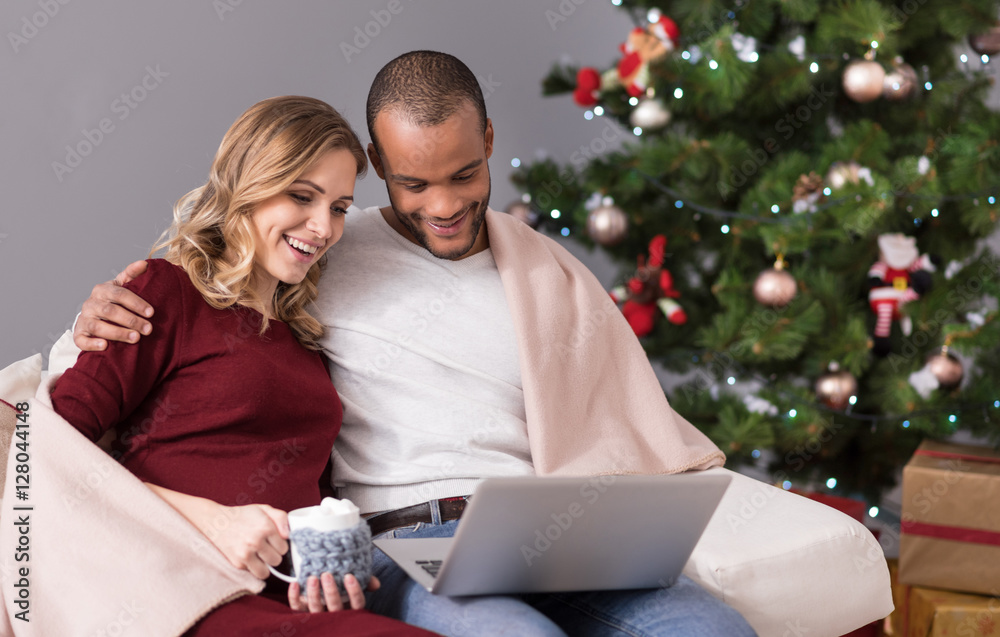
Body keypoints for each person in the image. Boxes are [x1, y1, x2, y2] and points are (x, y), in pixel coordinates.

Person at [72, 52, 758, 636]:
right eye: (413, 182)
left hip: (547, 530)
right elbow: (208, 293)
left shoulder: (543, 272)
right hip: (408, 539)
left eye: (463, 174)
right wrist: (99, 315)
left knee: (715, 629)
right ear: (378, 164)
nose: (442, 205)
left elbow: (609, 419)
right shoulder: (323, 255)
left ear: (488, 139)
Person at [50, 95, 436, 637]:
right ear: (248, 187)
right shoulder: (162, 293)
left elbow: (302, 494)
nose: (323, 227)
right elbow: (44, 456)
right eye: (302, 196)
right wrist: (210, 519)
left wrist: (329, 568)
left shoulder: (305, 339)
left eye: (341, 208)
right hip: (185, 588)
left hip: (290, 599)